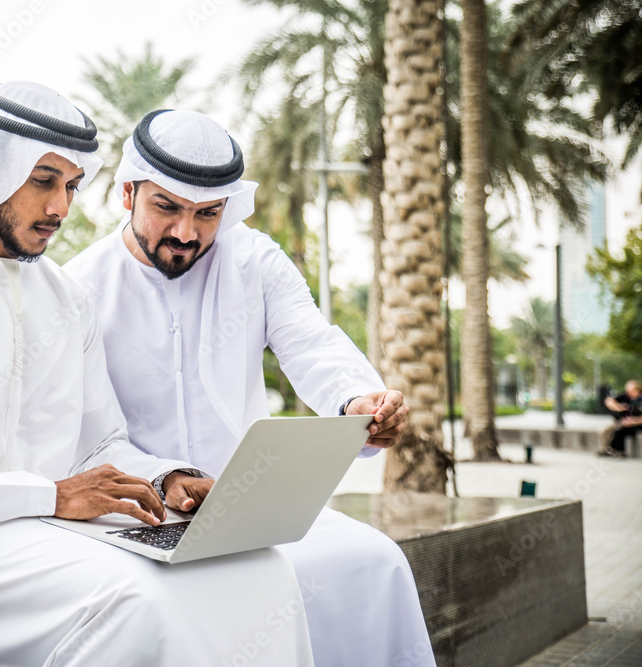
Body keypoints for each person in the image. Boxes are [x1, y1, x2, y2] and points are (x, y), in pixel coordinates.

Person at [0, 83, 313, 666]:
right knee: (136, 599)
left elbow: (98, 443)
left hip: (50, 528)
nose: (60, 208)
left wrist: (165, 479)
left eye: (72, 186)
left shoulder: (66, 301)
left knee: (261, 571)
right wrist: (48, 495)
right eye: (43, 181)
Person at [65, 109, 436, 667]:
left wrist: (358, 400)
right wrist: (163, 480)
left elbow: (312, 343)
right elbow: (82, 431)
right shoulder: (80, 288)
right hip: (136, 513)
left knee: (375, 562)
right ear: (127, 194)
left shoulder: (254, 260)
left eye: (207, 214)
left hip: (252, 506)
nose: (186, 233)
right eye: (167, 207)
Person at [601, 380, 642, 456]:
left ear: (637, 390)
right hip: (623, 421)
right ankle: (607, 450)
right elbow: (608, 400)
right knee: (606, 430)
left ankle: (618, 450)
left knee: (620, 430)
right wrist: (619, 407)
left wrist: (633, 421)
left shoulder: (640, 400)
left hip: (637, 424)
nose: (628, 393)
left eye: (630, 391)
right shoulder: (626, 397)